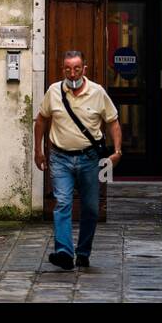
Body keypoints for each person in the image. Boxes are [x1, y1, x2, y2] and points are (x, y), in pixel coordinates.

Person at [34, 48, 122, 269]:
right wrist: (38, 150)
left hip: (89, 159)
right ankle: (64, 252)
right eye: (67, 69)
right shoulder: (54, 91)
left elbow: (113, 121)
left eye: (76, 69)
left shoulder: (97, 92)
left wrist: (118, 151)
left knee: (91, 208)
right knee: (62, 202)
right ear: (62, 69)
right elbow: (42, 120)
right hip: (60, 158)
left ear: (84, 68)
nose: (72, 74)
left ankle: (83, 252)